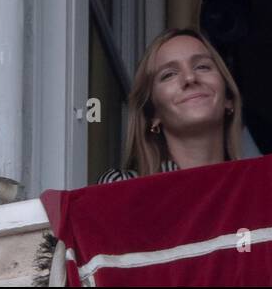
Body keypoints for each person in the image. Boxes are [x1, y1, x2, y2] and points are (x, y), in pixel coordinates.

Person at [96, 27, 245, 183]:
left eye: (202, 66)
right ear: (152, 114)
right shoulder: (122, 186)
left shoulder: (256, 186)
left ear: (228, 98)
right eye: (169, 75)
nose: (189, 77)